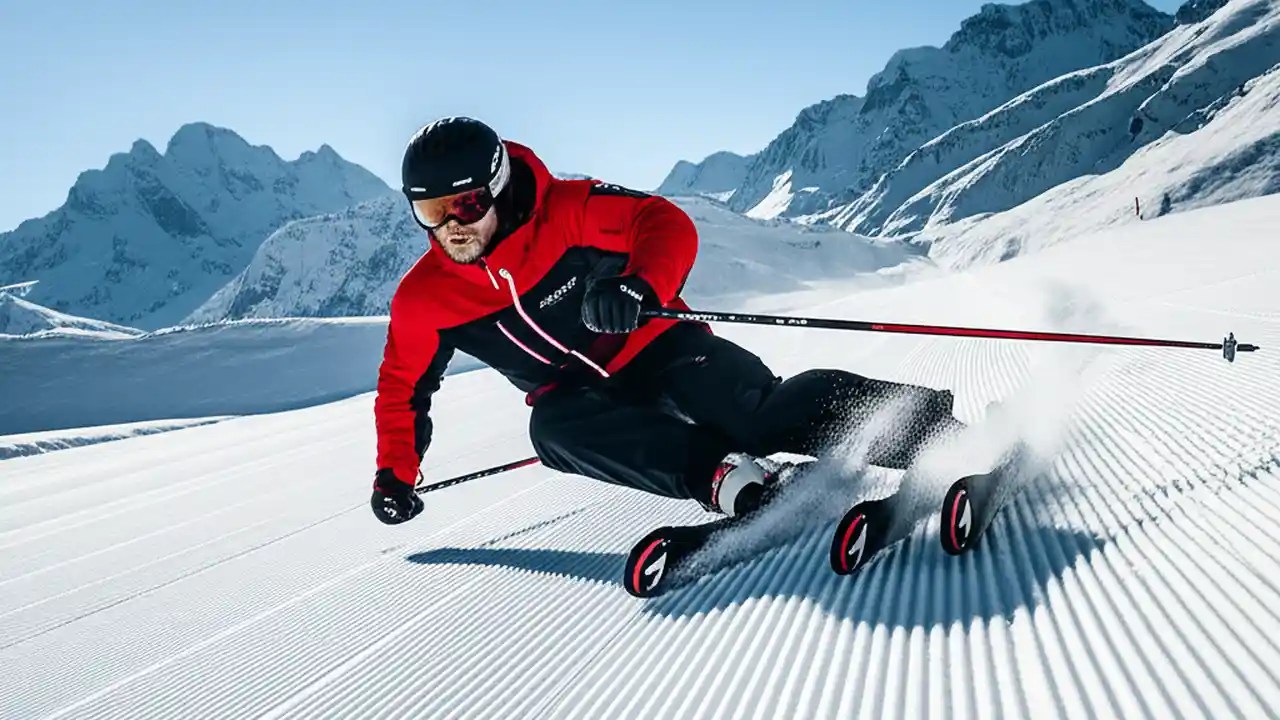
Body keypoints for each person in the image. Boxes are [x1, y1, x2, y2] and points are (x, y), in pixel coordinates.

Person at [370, 116, 964, 525]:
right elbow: (402, 387)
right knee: (552, 432)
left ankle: (929, 429)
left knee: (754, 417)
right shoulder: (427, 297)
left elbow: (662, 221)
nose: (453, 224)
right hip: (581, 395)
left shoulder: (570, 211)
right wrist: (395, 473)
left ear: (497, 186)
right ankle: (730, 482)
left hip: (657, 344)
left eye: (468, 203)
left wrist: (638, 284)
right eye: (432, 210)